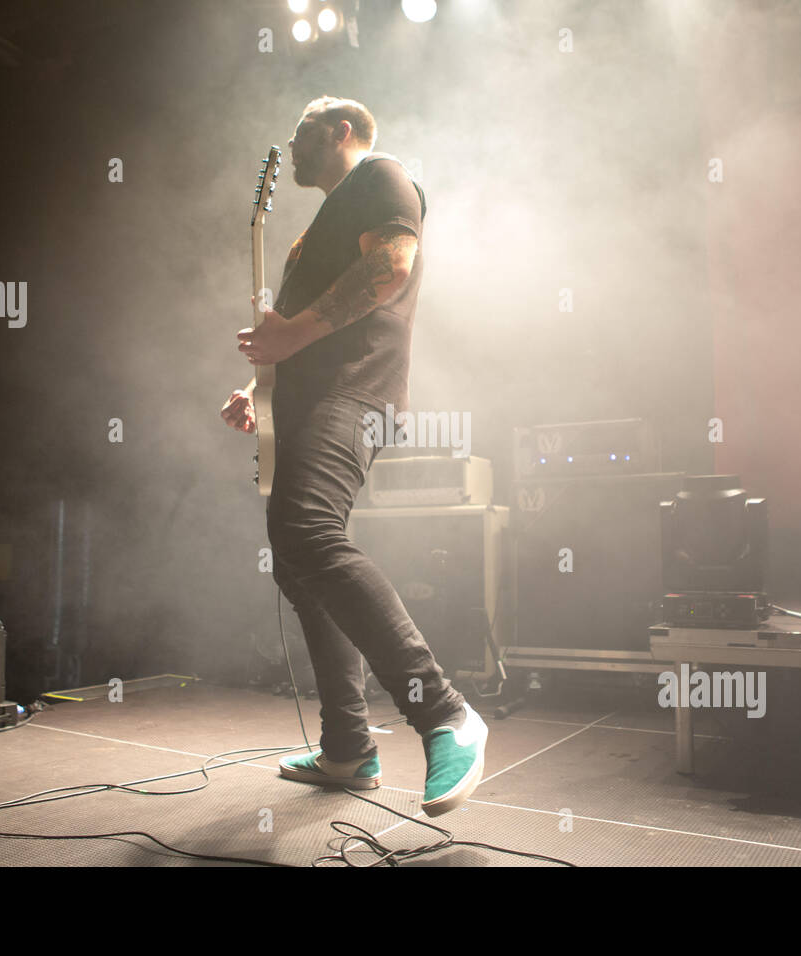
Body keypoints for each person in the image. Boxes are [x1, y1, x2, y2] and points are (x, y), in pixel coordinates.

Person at [220, 96, 487, 817]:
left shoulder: (382, 177)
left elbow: (390, 271)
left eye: (302, 133)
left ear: (340, 129)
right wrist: (259, 384)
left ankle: (444, 715)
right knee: (296, 559)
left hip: (355, 394)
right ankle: (346, 747)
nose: (292, 145)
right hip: (311, 399)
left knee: (308, 533)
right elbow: (299, 335)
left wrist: (287, 338)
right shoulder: (317, 231)